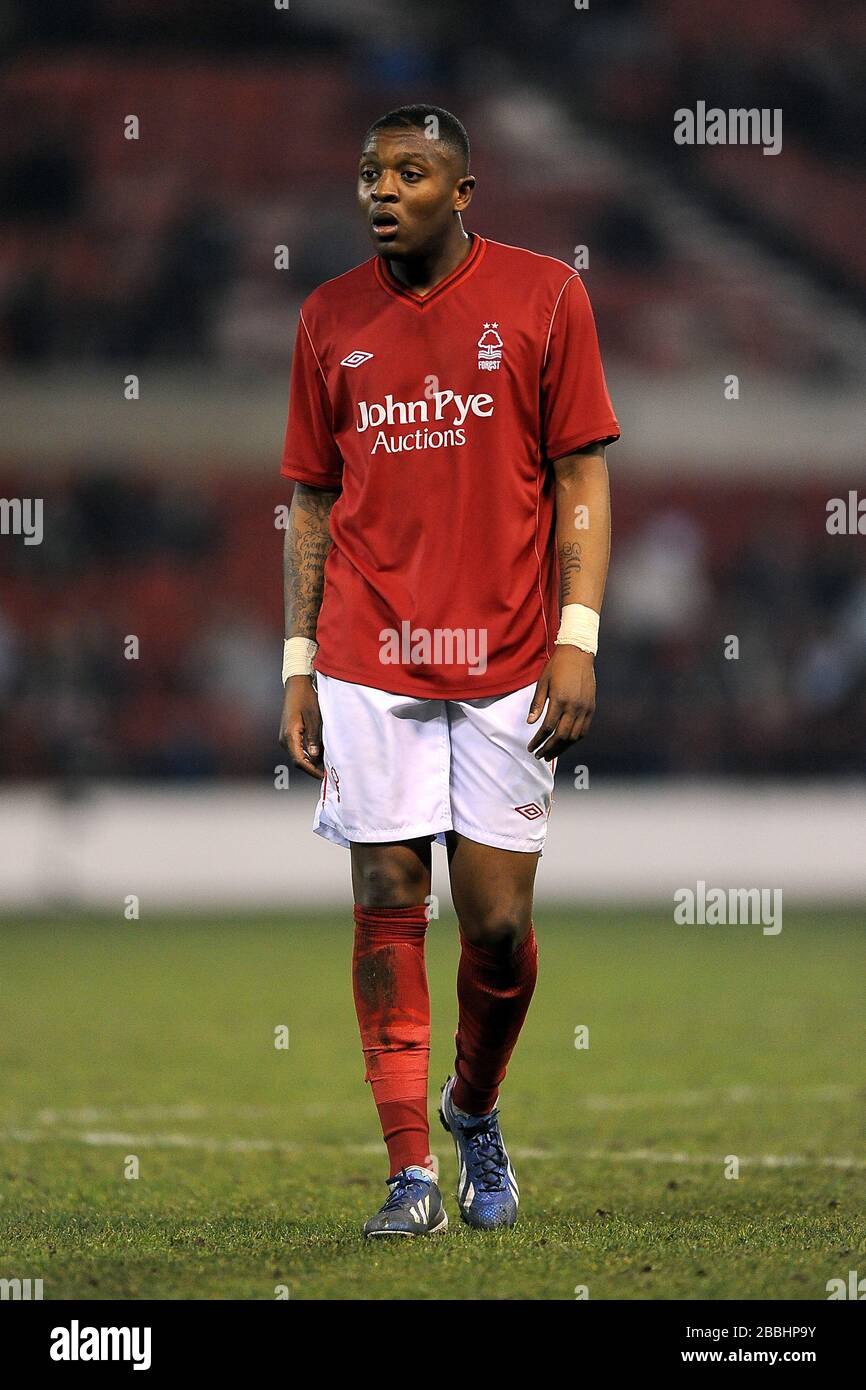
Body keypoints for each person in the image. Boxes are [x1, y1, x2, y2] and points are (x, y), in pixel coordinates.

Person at [278, 104, 619, 1237]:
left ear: (462, 192)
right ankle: (408, 1173)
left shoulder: (543, 299)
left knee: (498, 929)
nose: (381, 190)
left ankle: (470, 1108)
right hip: (368, 652)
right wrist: (297, 663)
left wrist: (577, 632)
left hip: (506, 654)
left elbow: (578, 475)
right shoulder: (327, 318)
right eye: (369, 171)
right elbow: (311, 499)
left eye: (410, 173)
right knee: (386, 895)